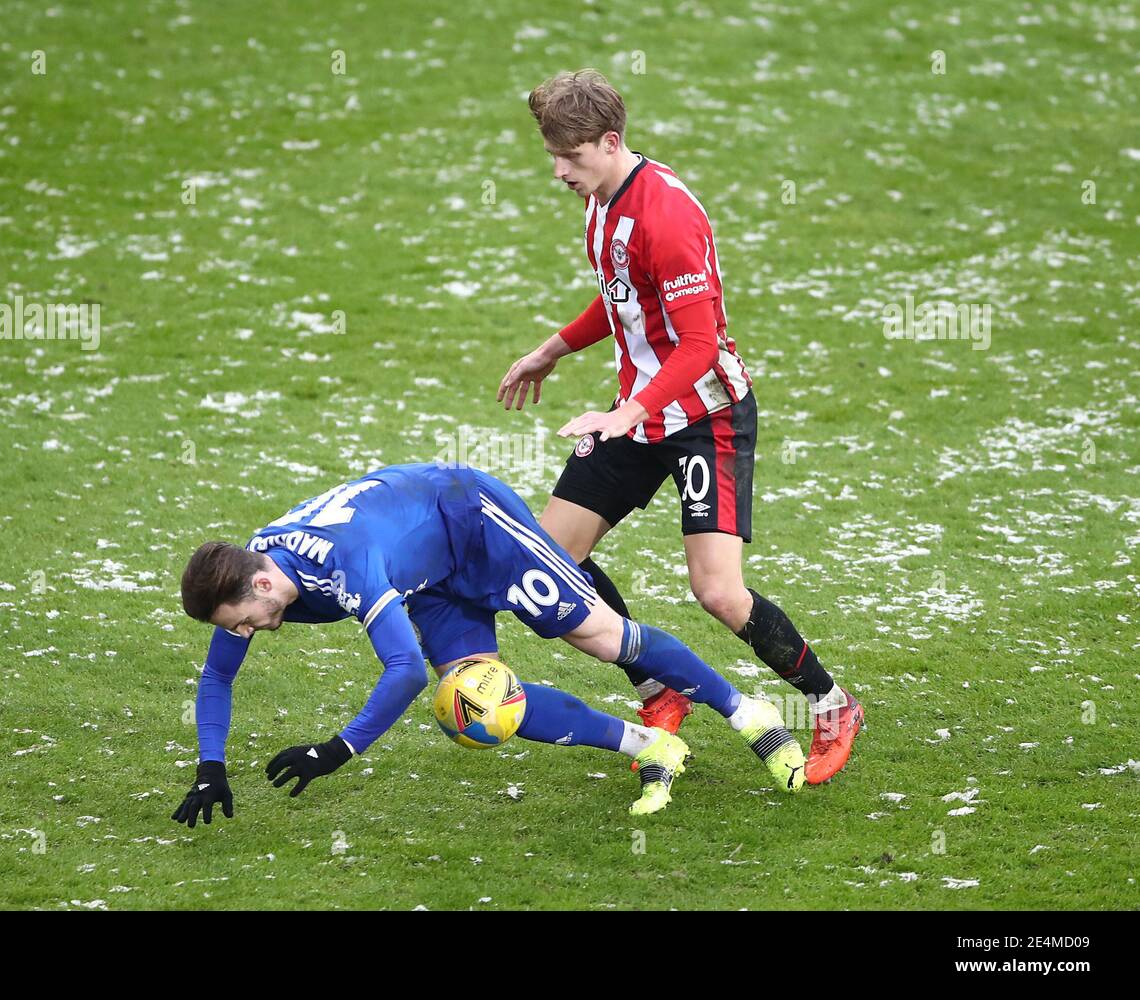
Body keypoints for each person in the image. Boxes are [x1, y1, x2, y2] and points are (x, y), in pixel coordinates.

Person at [497, 69, 863, 783]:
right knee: (546, 561)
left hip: (705, 417)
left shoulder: (666, 215)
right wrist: (552, 350)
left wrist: (627, 412)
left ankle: (831, 703)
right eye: (552, 155)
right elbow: (624, 297)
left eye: (569, 156)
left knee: (718, 592)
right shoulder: (601, 201)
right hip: (637, 411)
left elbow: (697, 347)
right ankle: (659, 692)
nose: (557, 171)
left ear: (610, 141)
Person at [171, 462, 806, 827]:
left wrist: (337, 750)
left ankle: (754, 718)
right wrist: (209, 768)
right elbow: (217, 679)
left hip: (471, 520)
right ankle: (655, 746)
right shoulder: (259, 575)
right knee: (476, 700)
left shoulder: (345, 565)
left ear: (260, 581)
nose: (244, 634)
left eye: (244, 621)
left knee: (601, 636)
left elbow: (402, 672)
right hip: (427, 571)